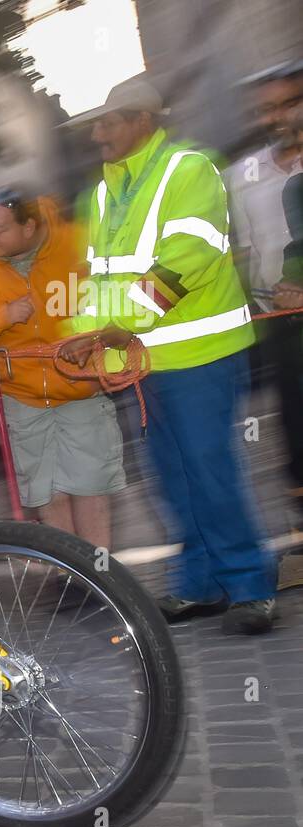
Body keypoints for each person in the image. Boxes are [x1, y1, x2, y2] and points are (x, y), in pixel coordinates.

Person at [63, 76, 277, 634]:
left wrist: (114, 327)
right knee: (173, 477)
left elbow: (189, 257)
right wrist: (86, 341)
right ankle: (201, 585)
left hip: (200, 354)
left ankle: (251, 586)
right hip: (145, 365)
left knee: (209, 471)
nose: (97, 133)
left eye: (109, 121)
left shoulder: (189, 169)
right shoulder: (106, 191)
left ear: (143, 121)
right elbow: (101, 278)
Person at [0, 191, 124, 547]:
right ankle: (70, 574)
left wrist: (94, 337)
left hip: (80, 388)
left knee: (91, 485)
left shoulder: (76, 241)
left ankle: (103, 574)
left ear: (29, 227)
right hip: (21, 396)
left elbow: (116, 292)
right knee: (46, 492)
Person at [228, 62, 303, 504]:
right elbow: (242, 249)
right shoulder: (242, 176)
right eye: (266, 110)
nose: (278, 117)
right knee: (295, 432)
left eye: (290, 103)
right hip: (280, 322)